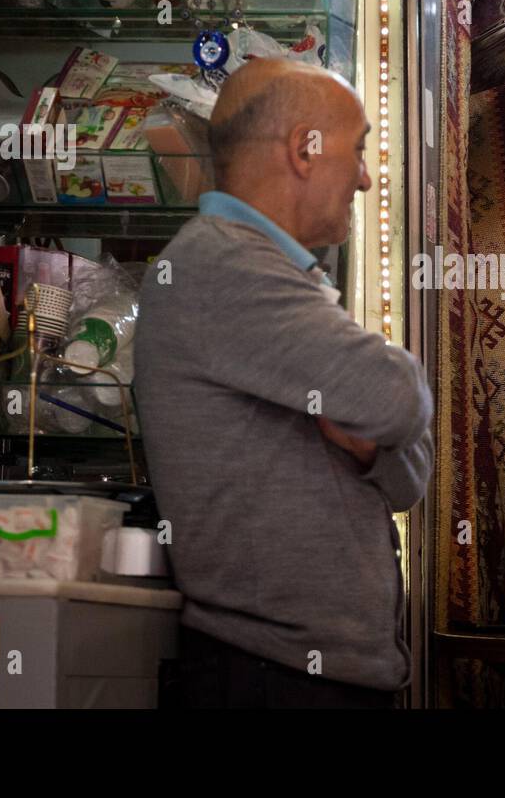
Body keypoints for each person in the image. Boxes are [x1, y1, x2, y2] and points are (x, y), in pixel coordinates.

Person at [134, 58, 433, 708]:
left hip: (316, 676)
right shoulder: (221, 264)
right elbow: (398, 398)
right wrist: (382, 423)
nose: (364, 177)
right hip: (268, 679)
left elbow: (409, 477)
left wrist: (374, 444)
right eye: (356, 152)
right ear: (306, 149)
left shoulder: (281, 275)